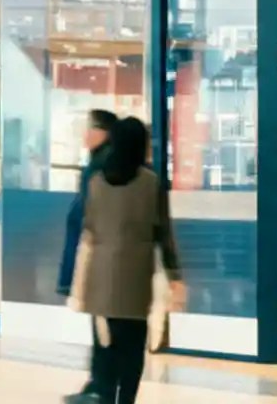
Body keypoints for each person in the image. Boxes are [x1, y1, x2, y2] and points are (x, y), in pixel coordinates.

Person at [68, 117, 184, 403]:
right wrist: (175, 275)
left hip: (100, 280)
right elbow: (162, 231)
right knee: (132, 351)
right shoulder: (150, 182)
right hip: (134, 280)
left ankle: (104, 396)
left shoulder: (95, 182)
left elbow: (89, 227)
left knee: (105, 351)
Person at [60, 110, 118, 403]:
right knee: (100, 323)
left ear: (104, 131)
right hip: (95, 254)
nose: (85, 134)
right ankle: (98, 383)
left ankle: (102, 387)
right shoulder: (98, 163)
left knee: (103, 325)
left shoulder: (103, 165)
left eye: (90, 128)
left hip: (98, 256)